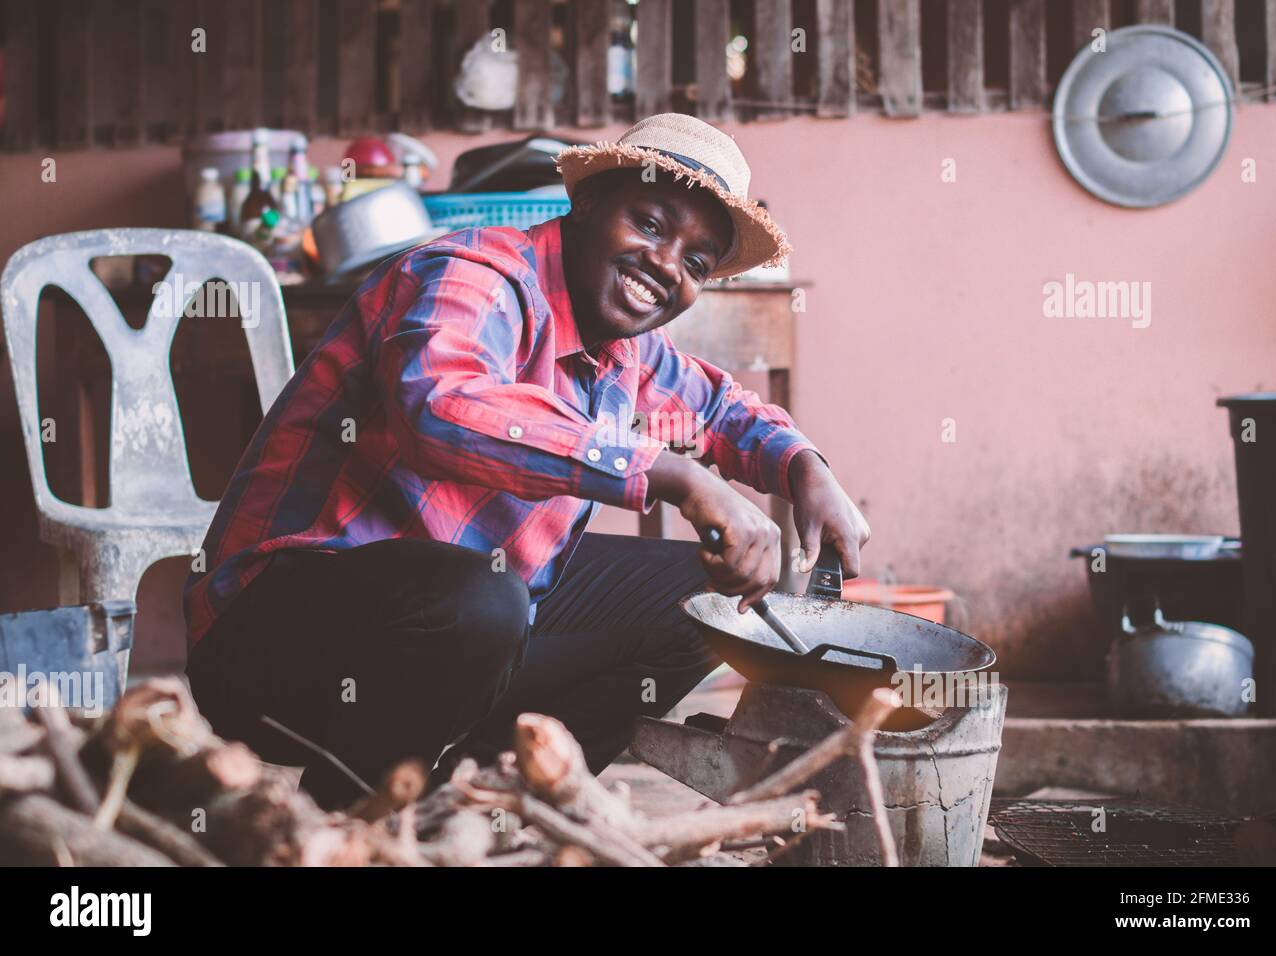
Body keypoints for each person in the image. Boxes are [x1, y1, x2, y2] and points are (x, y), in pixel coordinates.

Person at [183, 113, 871, 809]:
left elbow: (723, 410)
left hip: (457, 635)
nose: (666, 265)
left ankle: (477, 809)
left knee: (705, 603)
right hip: (272, 643)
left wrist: (805, 467)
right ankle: (355, 816)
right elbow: (440, 402)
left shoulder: (621, 352)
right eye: (652, 224)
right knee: (479, 600)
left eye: (695, 262)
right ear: (589, 201)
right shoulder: (476, 270)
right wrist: (674, 475)